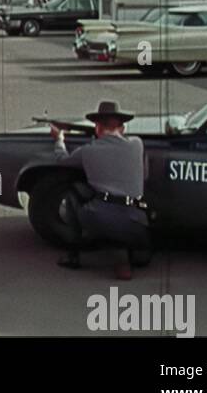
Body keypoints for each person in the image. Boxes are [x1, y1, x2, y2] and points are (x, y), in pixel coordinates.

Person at [50, 100, 151, 280]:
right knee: (133, 241)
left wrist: (59, 139)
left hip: (100, 220)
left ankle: (73, 256)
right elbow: (144, 176)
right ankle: (127, 254)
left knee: (73, 193)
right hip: (137, 222)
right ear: (123, 128)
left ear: (97, 127)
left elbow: (62, 160)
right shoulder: (137, 144)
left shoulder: (88, 151)